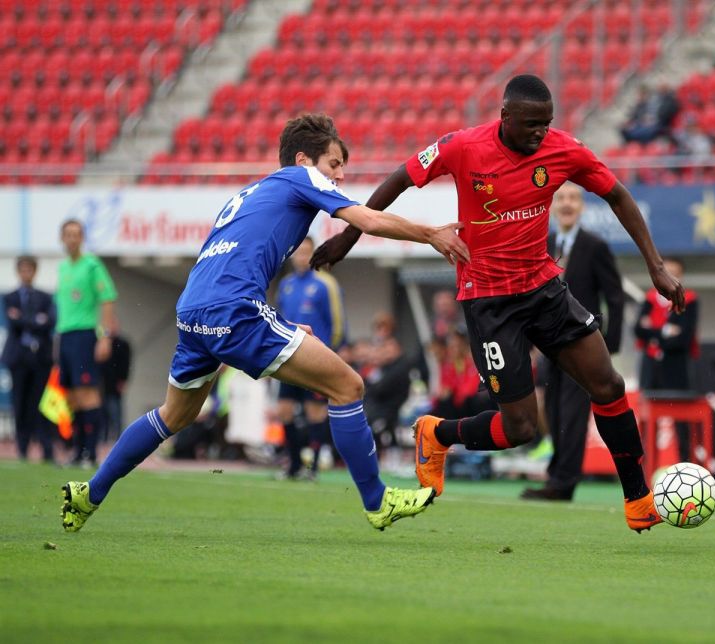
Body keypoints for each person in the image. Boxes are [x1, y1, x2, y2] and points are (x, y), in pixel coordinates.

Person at [60, 114, 470, 533]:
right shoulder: (301, 177)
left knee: (174, 415)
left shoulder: (248, 194)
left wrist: (278, 322)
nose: (341, 175)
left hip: (193, 310)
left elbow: (232, 267)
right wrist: (431, 234)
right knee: (348, 386)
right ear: (303, 159)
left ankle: (90, 493)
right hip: (233, 311)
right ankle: (378, 501)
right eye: (334, 163)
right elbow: (368, 220)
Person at [312, 75, 685, 532]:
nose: (540, 133)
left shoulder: (563, 149)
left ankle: (638, 498)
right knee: (521, 428)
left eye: (546, 123)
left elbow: (618, 195)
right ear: (505, 116)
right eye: (531, 124)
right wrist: (349, 236)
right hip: (489, 301)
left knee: (608, 384)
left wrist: (656, 267)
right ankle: (437, 433)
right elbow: (400, 179)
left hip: (544, 289)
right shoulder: (462, 146)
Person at [521, 182, 625, 502]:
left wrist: (609, 345)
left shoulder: (595, 246)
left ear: (582, 206)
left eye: (573, 198)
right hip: (548, 345)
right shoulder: (544, 243)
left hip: (582, 345)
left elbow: (615, 297)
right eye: (561, 198)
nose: (567, 204)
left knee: (572, 414)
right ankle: (555, 476)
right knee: (552, 410)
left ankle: (564, 483)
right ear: (552, 206)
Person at [275, 236, 346, 480]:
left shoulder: (326, 284)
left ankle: (311, 468)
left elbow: (337, 324)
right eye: (299, 252)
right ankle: (293, 464)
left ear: (314, 254)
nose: (302, 257)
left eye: (307, 252)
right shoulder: (286, 285)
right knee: (284, 410)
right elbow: (279, 320)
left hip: (315, 359)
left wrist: (330, 352)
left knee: (314, 412)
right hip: (288, 357)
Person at [56, 219, 119, 467]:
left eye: (76, 234)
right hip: (65, 336)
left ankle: (91, 453)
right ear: (62, 238)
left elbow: (108, 298)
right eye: (68, 234)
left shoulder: (92, 265)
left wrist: (104, 336)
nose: (72, 238)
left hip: (84, 335)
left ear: (82, 238)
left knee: (88, 393)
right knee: (72, 395)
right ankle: (78, 450)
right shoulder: (63, 268)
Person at [1, 256, 56, 462]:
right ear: (18, 272)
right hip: (18, 358)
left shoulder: (45, 297)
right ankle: (22, 448)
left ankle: (46, 448)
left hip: (40, 358)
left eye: (29, 270)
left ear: (35, 271)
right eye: (23, 270)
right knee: (20, 403)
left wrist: (24, 319)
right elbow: (14, 323)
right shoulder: (10, 297)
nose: (26, 274)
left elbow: (49, 322)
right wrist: (36, 320)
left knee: (40, 404)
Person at [634, 258, 699, 392]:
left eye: (674, 274)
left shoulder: (689, 300)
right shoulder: (650, 298)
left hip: (675, 366)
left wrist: (653, 334)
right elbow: (638, 330)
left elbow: (683, 337)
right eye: (666, 273)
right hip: (650, 365)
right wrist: (666, 330)